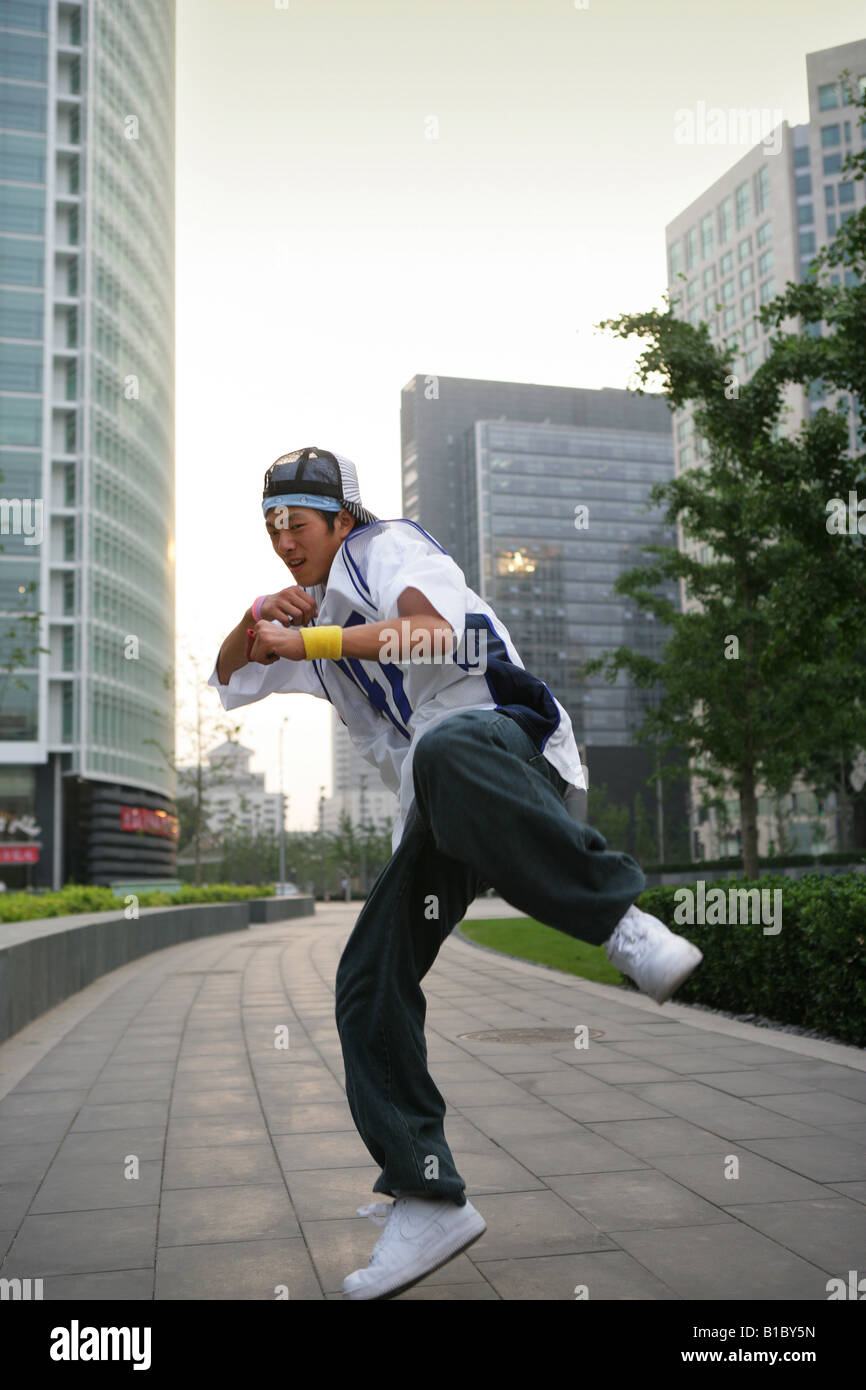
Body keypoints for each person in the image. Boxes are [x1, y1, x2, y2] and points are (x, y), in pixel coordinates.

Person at [208, 445, 703, 1301]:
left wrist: (308, 632)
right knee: (367, 980)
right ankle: (427, 1192)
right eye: (271, 526)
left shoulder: (389, 548)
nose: (285, 540)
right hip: (438, 805)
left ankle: (623, 923)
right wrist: (258, 614)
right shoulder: (314, 615)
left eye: (299, 523)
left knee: (444, 744)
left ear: (342, 520)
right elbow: (229, 672)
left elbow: (433, 632)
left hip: (506, 746)